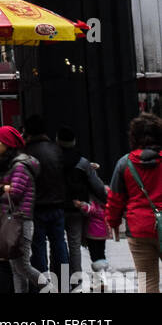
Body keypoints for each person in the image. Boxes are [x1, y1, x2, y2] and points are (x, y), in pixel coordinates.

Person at [0, 125, 41, 293]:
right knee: (17, 269)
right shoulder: (10, 165)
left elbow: (15, 194)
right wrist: (0, 187)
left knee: (24, 267)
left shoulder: (19, 166)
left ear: (7, 143)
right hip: (13, 220)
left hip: (20, 221)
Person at [105, 113, 162, 294]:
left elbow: (115, 199)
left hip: (138, 230)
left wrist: (113, 223)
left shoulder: (124, 163)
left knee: (148, 280)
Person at [22, 114, 69, 288]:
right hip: (57, 205)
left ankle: (41, 285)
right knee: (59, 244)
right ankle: (64, 284)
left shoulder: (26, 153)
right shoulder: (56, 150)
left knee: (38, 248)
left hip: (35, 208)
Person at [58, 125, 108, 286]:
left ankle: (60, 276)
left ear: (57, 140)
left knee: (57, 242)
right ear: (74, 142)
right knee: (74, 244)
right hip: (77, 207)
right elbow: (98, 186)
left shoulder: (53, 159)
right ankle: (76, 277)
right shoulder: (82, 162)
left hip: (56, 206)